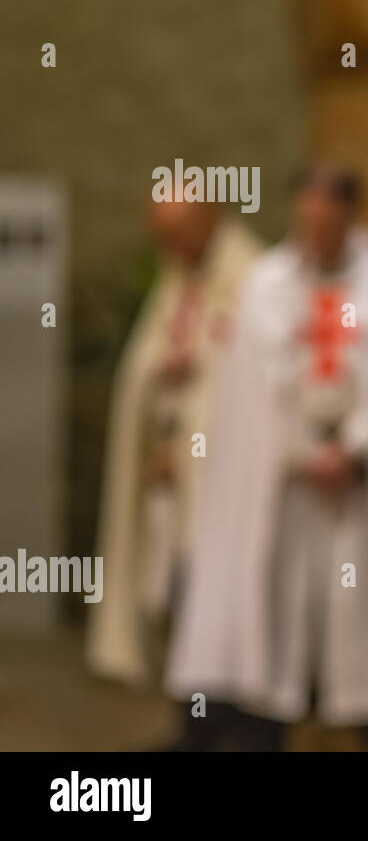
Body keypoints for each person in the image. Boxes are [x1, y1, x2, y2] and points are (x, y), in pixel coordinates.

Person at [166, 164, 368, 750]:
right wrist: (300, 449)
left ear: (351, 216)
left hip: (364, 486)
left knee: (366, 631)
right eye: (307, 219)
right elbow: (255, 390)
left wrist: (356, 446)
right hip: (288, 484)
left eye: (329, 220)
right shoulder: (267, 282)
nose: (317, 232)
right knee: (275, 631)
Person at [87, 186, 261, 696]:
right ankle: (190, 721)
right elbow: (146, 365)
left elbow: (238, 387)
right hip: (172, 471)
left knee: (218, 595)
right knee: (179, 594)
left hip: (219, 481)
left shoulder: (251, 277)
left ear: (209, 221)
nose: (169, 248)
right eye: (161, 236)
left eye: (177, 234)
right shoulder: (177, 277)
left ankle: (224, 725)